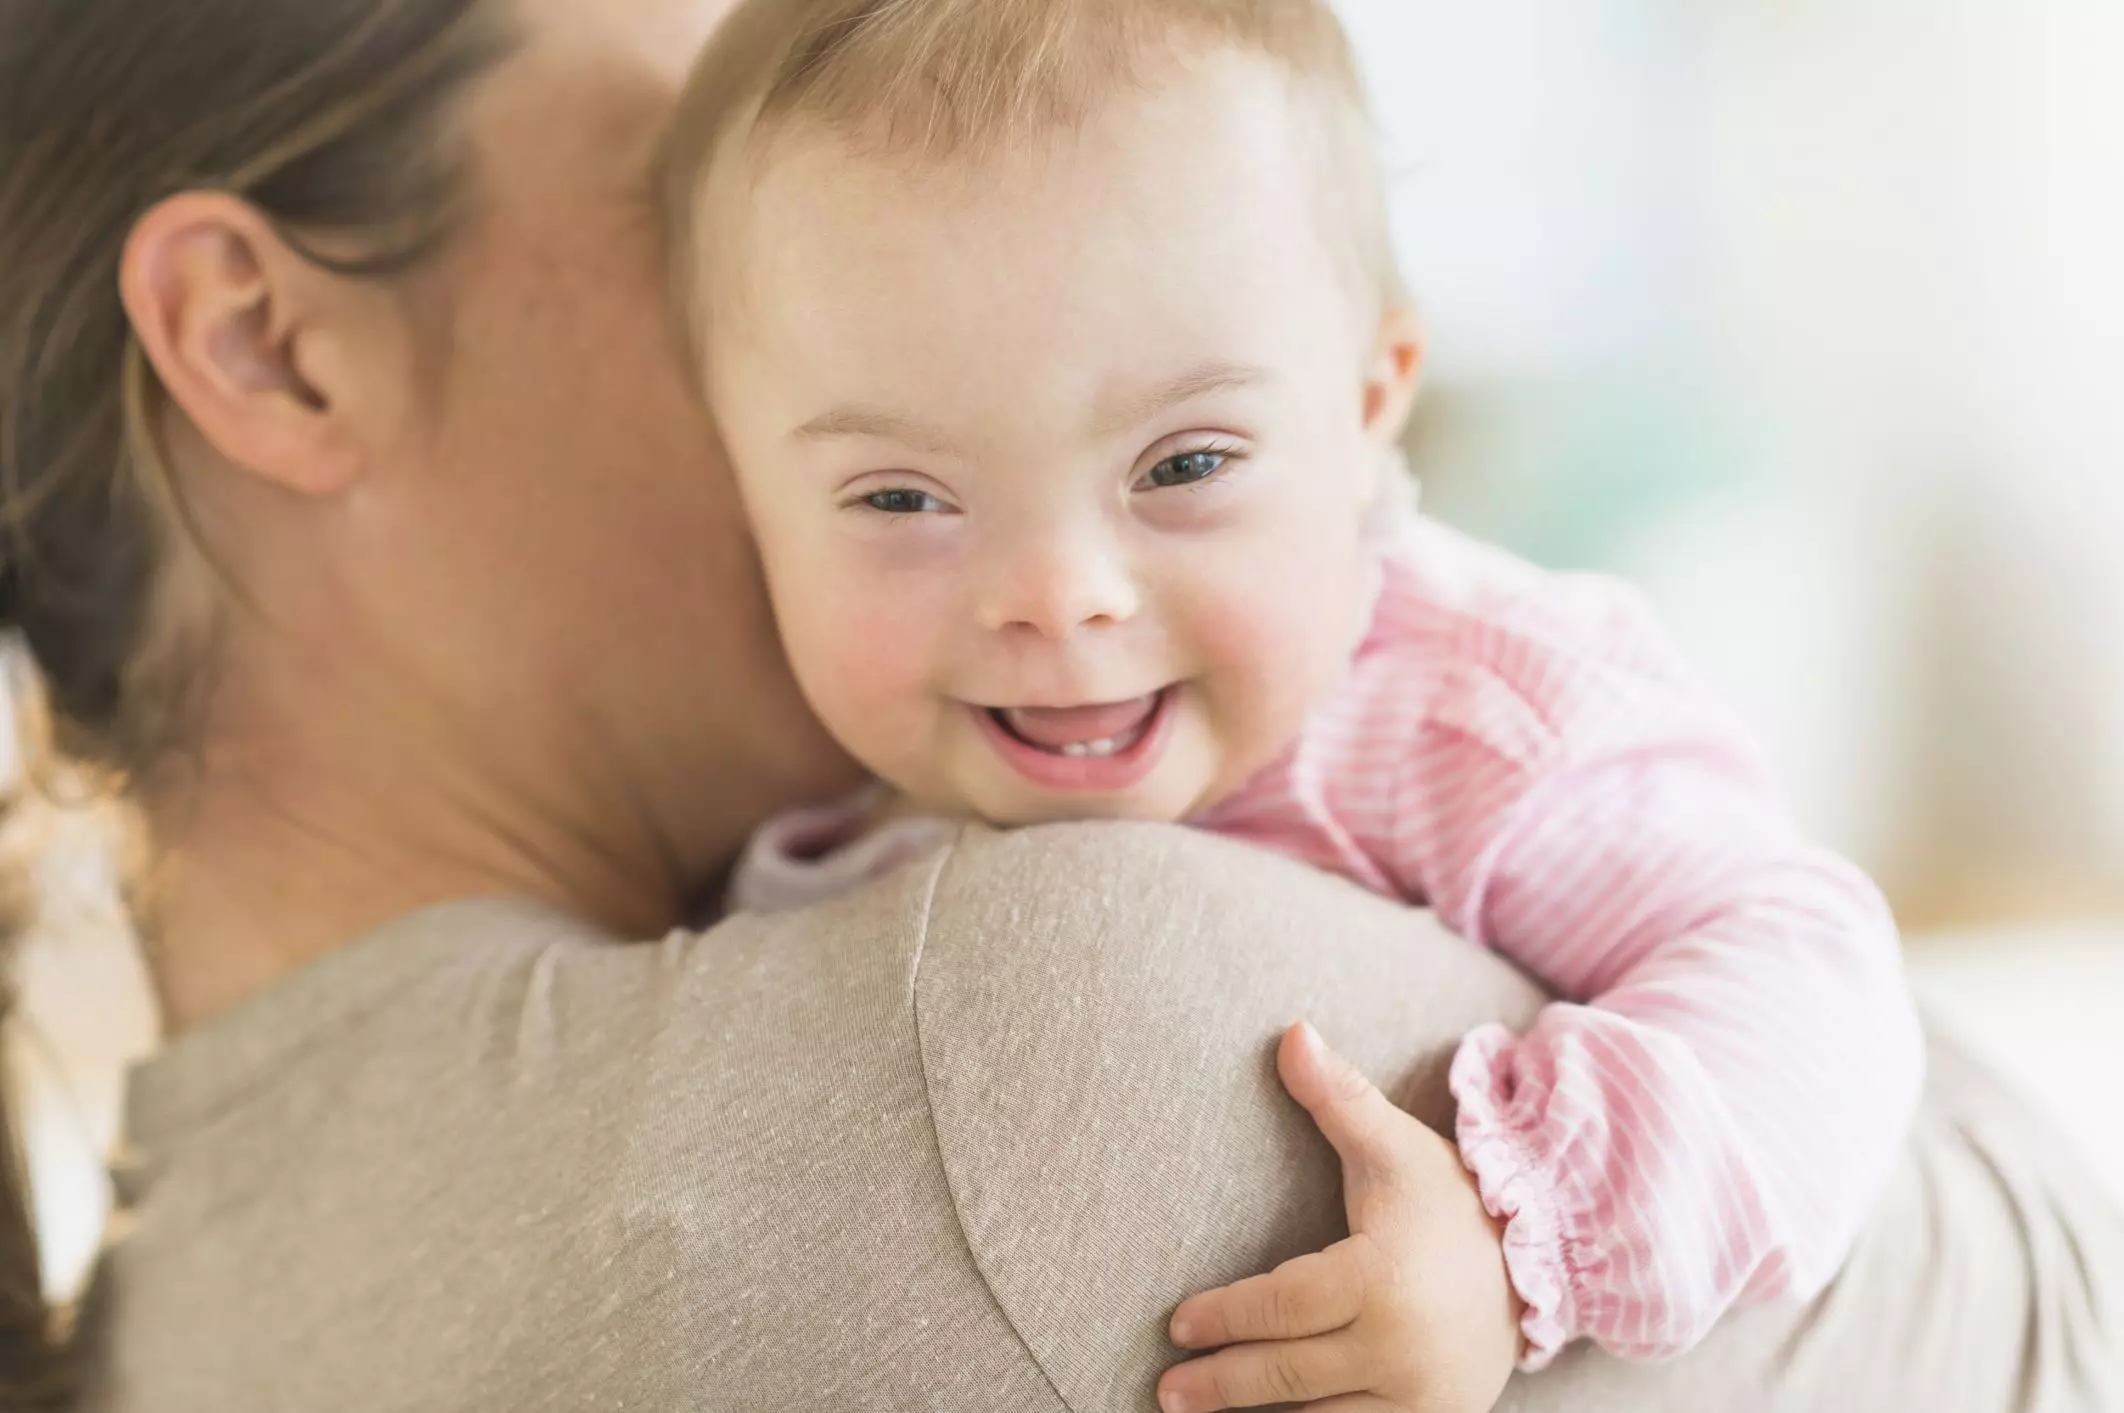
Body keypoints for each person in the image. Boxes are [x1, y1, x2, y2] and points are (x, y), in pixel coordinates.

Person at [0, 0, 2115, 1409]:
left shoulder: (174, 1291)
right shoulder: (993, 1034)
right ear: (266, 346)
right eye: (691, 222)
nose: (1044, 585)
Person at [673, 2, 1920, 1403]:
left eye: (1184, 465)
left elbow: (1805, 973)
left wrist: (1520, 1252)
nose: (1057, 593)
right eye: (902, 497)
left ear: (1370, 396)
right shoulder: (789, 787)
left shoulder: (1463, 721)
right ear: (741, 486)